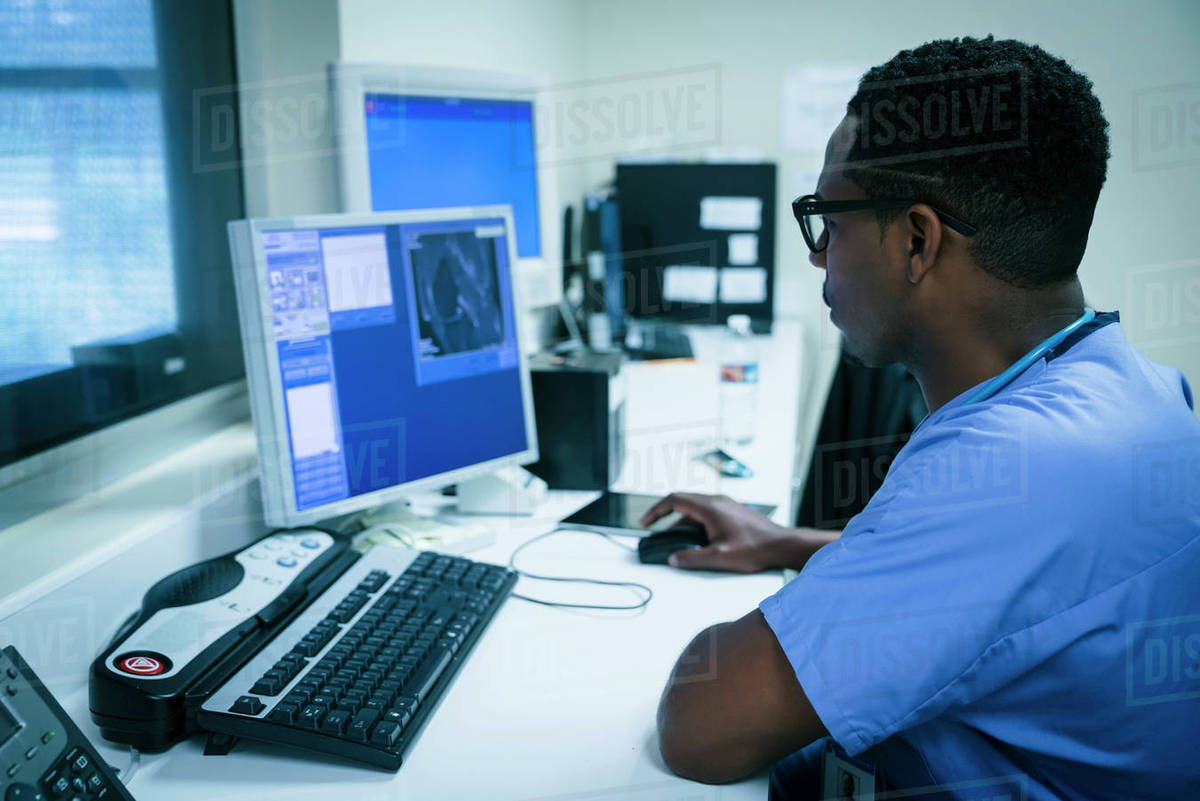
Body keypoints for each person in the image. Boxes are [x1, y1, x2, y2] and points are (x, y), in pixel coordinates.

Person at [647, 36, 1200, 799]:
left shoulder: (1011, 471)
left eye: (828, 221)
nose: (819, 258)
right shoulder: (1136, 385)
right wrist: (791, 544)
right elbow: (1032, 588)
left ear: (915, 239)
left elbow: (699, 728)